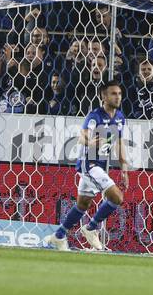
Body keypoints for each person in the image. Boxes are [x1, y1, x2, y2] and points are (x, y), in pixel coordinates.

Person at [46, 78, 130, 252]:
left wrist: (124, 168)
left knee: (83, 204)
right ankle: (91, 228)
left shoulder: (120, 118)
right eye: (113, 94)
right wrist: (90, 142)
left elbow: (120, 143)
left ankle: (59, 236)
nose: (117, 97)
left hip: (99, 163)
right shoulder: (95, 116)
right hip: (89, 164)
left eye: (119, 94)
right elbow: (82, 136)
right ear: (104, 96)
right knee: (117, 198)